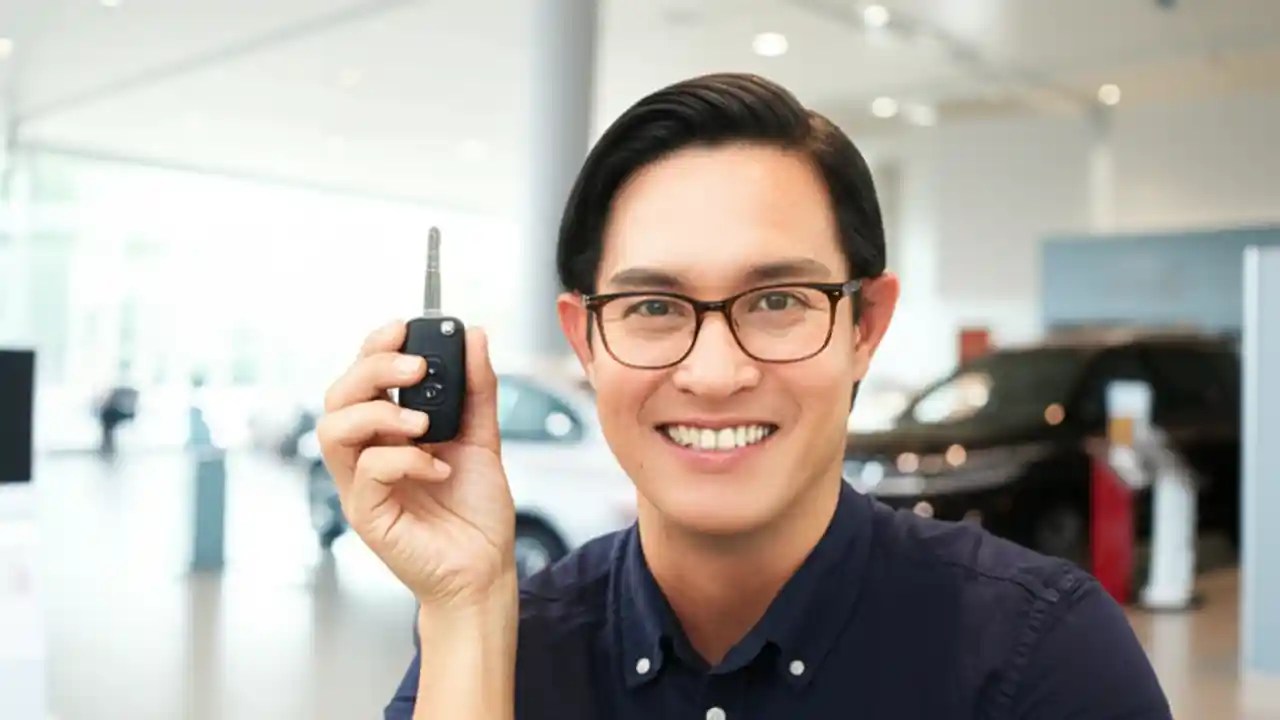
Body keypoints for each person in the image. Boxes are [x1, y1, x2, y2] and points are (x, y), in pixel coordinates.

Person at [317, 73, 1172, 719]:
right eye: (653, 307)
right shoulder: (495, 646)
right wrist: (465, 610)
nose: (716, 373)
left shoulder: (1038, 657)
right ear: (585, 340)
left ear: (865, 326)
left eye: (776, 302)